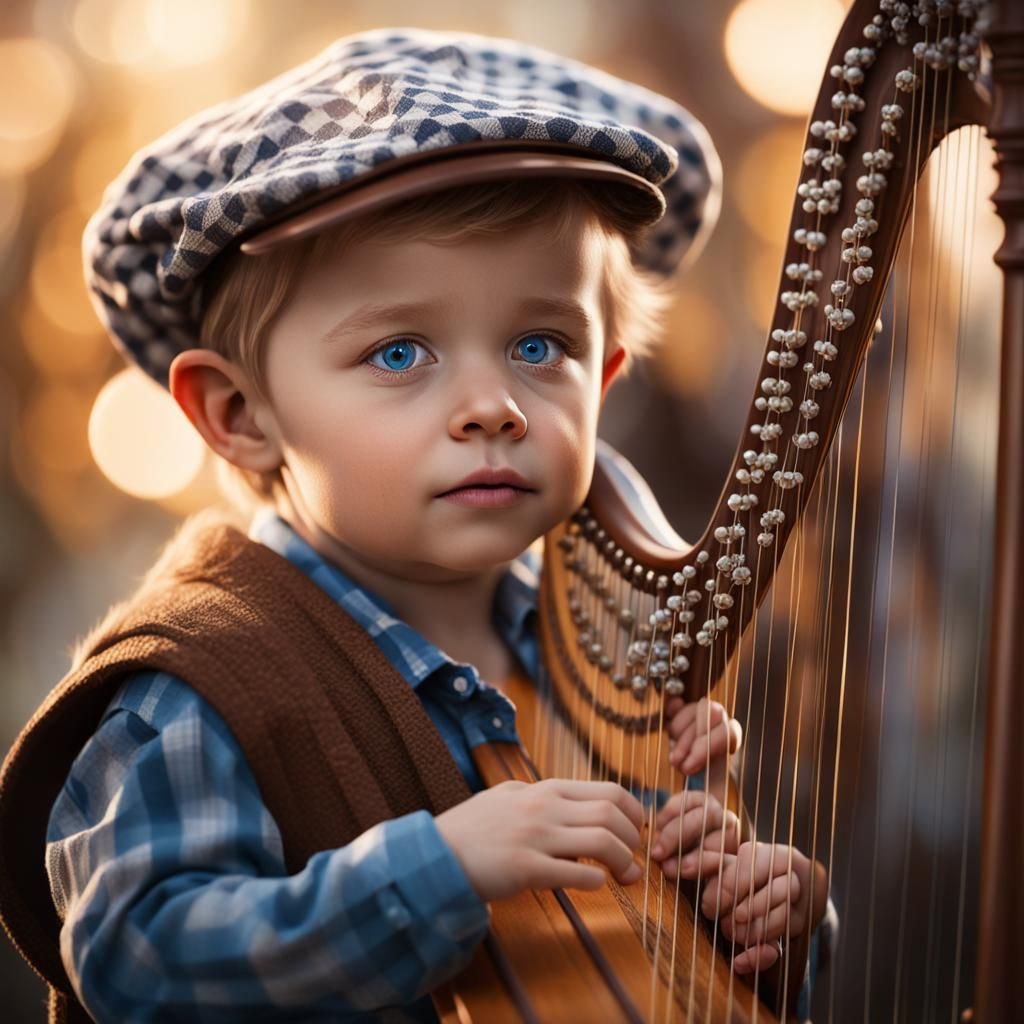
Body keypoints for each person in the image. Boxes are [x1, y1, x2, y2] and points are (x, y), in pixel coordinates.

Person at [0, 27, 828, 1022]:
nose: (494, 405)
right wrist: (443, 866)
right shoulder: (207, 684)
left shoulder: (609, 660)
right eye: (400, 353)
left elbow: (648, 959)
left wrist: (771, 920)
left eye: (539, 343)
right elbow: (137, 962)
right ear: (239, 416)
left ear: (603, 379)